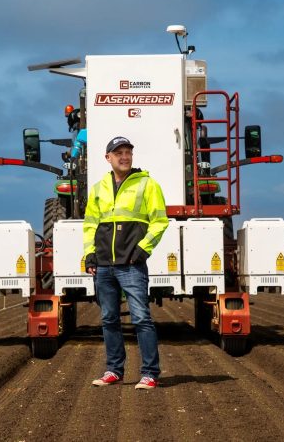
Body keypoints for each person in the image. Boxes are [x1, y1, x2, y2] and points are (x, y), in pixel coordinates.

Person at [83, 136, 169, 390]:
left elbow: (160, 221)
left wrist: (143, 250)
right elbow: (90, 225)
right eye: (118, 152)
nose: (124, 156)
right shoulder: (99, 188)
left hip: (131, 265)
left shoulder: (147, 184)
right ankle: (113, 370)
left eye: (128, 152)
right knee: (109, 319)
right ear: (108, 158)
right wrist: (90, 256)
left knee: (141, 318)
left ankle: (150, 373)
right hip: (104, 265)